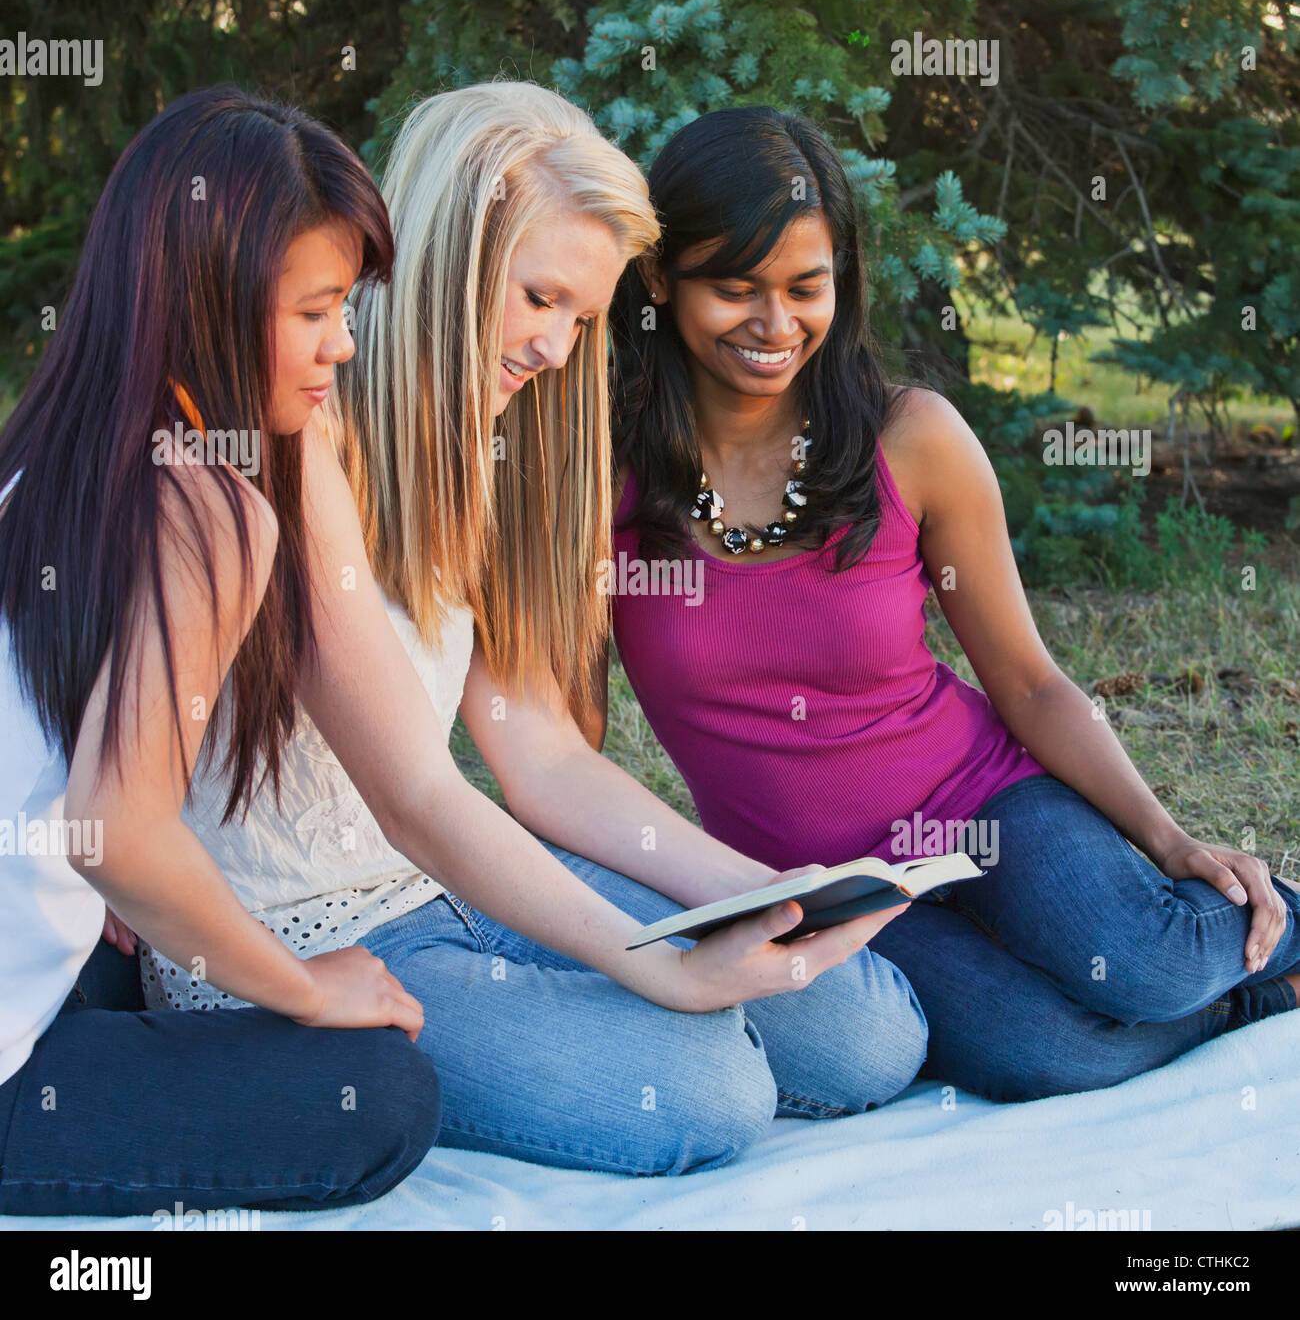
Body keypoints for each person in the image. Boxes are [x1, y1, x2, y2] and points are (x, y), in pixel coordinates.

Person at [120, 81, 929, 1177]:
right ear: (447, 262)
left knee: (867, 1028)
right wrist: (657, 968)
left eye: (581, 319)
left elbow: (540, 756)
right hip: (301, 928)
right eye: (539, 297)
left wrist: (750, 890)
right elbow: (414, 791)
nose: (555, 347)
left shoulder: (492, 443)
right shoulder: (296, 428)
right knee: (710, 1090)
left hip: (444, 878)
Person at [601, 104, 1300, 1102]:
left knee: (1149, 964)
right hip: (818, 888)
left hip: (980, 803)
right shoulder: (606, 479)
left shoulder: (911, 438)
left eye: (805, 287)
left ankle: (1279, 930)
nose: (774, 324)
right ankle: (1256, 1004)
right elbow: (561, 738)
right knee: (1041, 1051)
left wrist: (1170, 839)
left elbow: (1028, 680)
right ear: (662, 280)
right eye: (734, 287)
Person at [0, 86, 443, 1217]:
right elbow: (118, 830)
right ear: (209, 294)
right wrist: (303, 986)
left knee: (126, 954)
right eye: (317, 310)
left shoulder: (42, 456)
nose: (343, 344)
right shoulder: (208, 503)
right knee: (374, 1094)